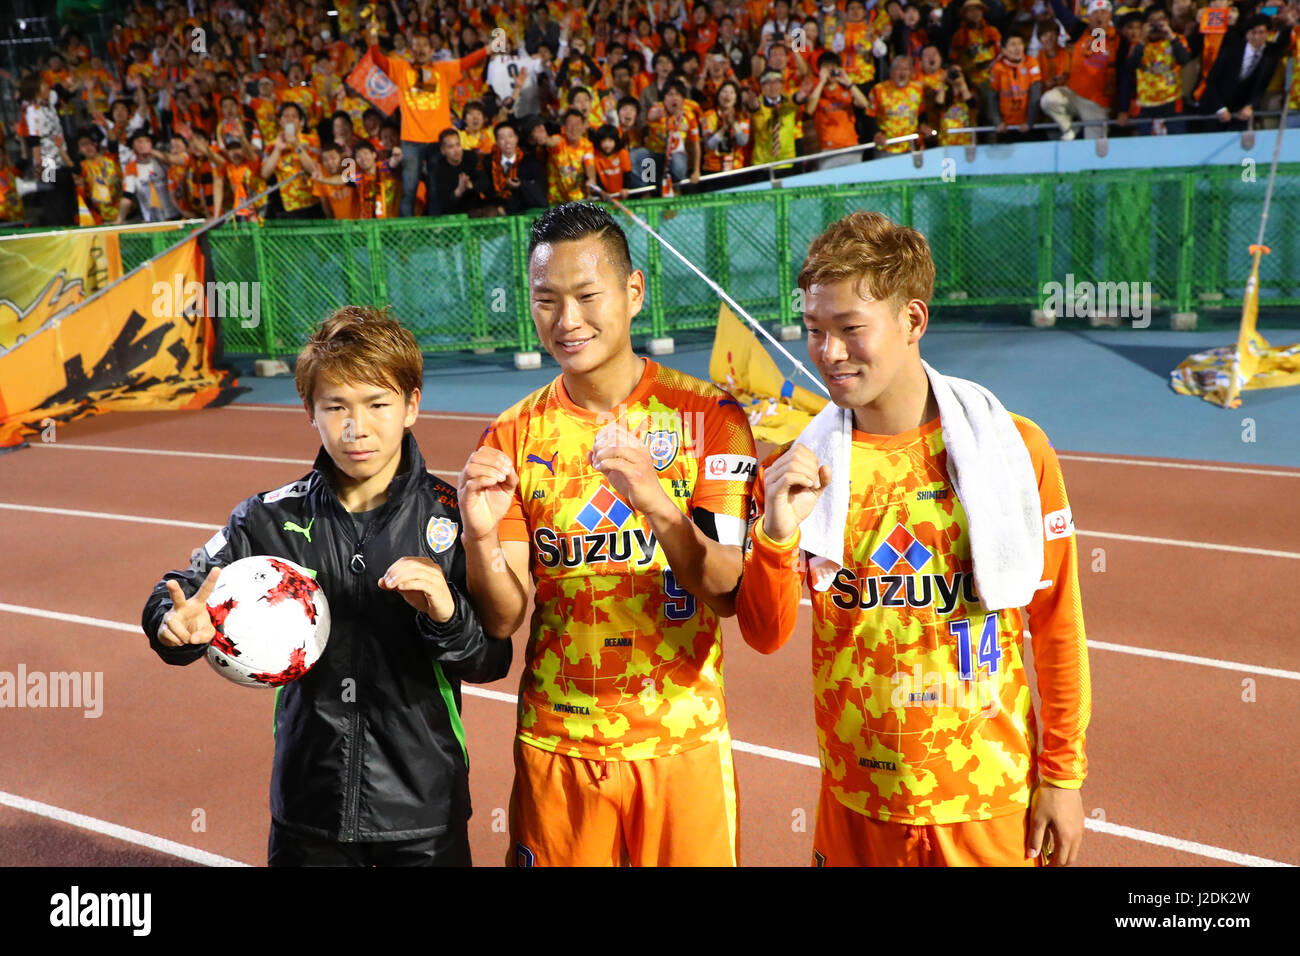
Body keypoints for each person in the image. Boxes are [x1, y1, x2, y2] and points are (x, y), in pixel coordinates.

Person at [735, 211, 1090, 867]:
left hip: (986, 799)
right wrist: (777, 535)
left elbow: (1056, 621)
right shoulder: (799, 466)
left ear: (913, 321)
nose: (828, 353)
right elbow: (764, 633)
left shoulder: (1014, 450)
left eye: (850, 330)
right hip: (856, 804)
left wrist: (1063, 776)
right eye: (814, 331)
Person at [142, 306, 512, 866]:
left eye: (377, 404)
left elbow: (491, 659)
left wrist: (446, 613)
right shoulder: (264, 519)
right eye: (335, 406)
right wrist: (174, 628)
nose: (355, 427)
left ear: (412, 404)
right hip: (309, 806)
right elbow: (178, 589)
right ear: (309, 411)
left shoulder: (452, 518)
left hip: (423, 811)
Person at [458, 201, 757, 866]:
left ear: (634, 290)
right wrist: (479, 540)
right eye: (546, 300)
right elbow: (503, 620)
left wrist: (658, 505)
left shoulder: (710, 419)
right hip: (559, 744)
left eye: (588, 296)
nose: (567, 322)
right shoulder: (511, 435)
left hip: (682, 746)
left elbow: (726, 590)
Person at [366, 22, 490, 217]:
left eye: (425, 45)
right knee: (409, 189)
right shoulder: (401, 69)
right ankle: (406, 232)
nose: (421, 49)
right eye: (416, 45)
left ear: (432, 50)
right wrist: (373, 37)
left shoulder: (442, 70)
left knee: (435, 187)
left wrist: (488, 49)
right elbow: (376, 59)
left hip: (438, 141)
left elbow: (466, 62)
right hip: (411, 140)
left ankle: (435, 230)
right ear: (410, 50)